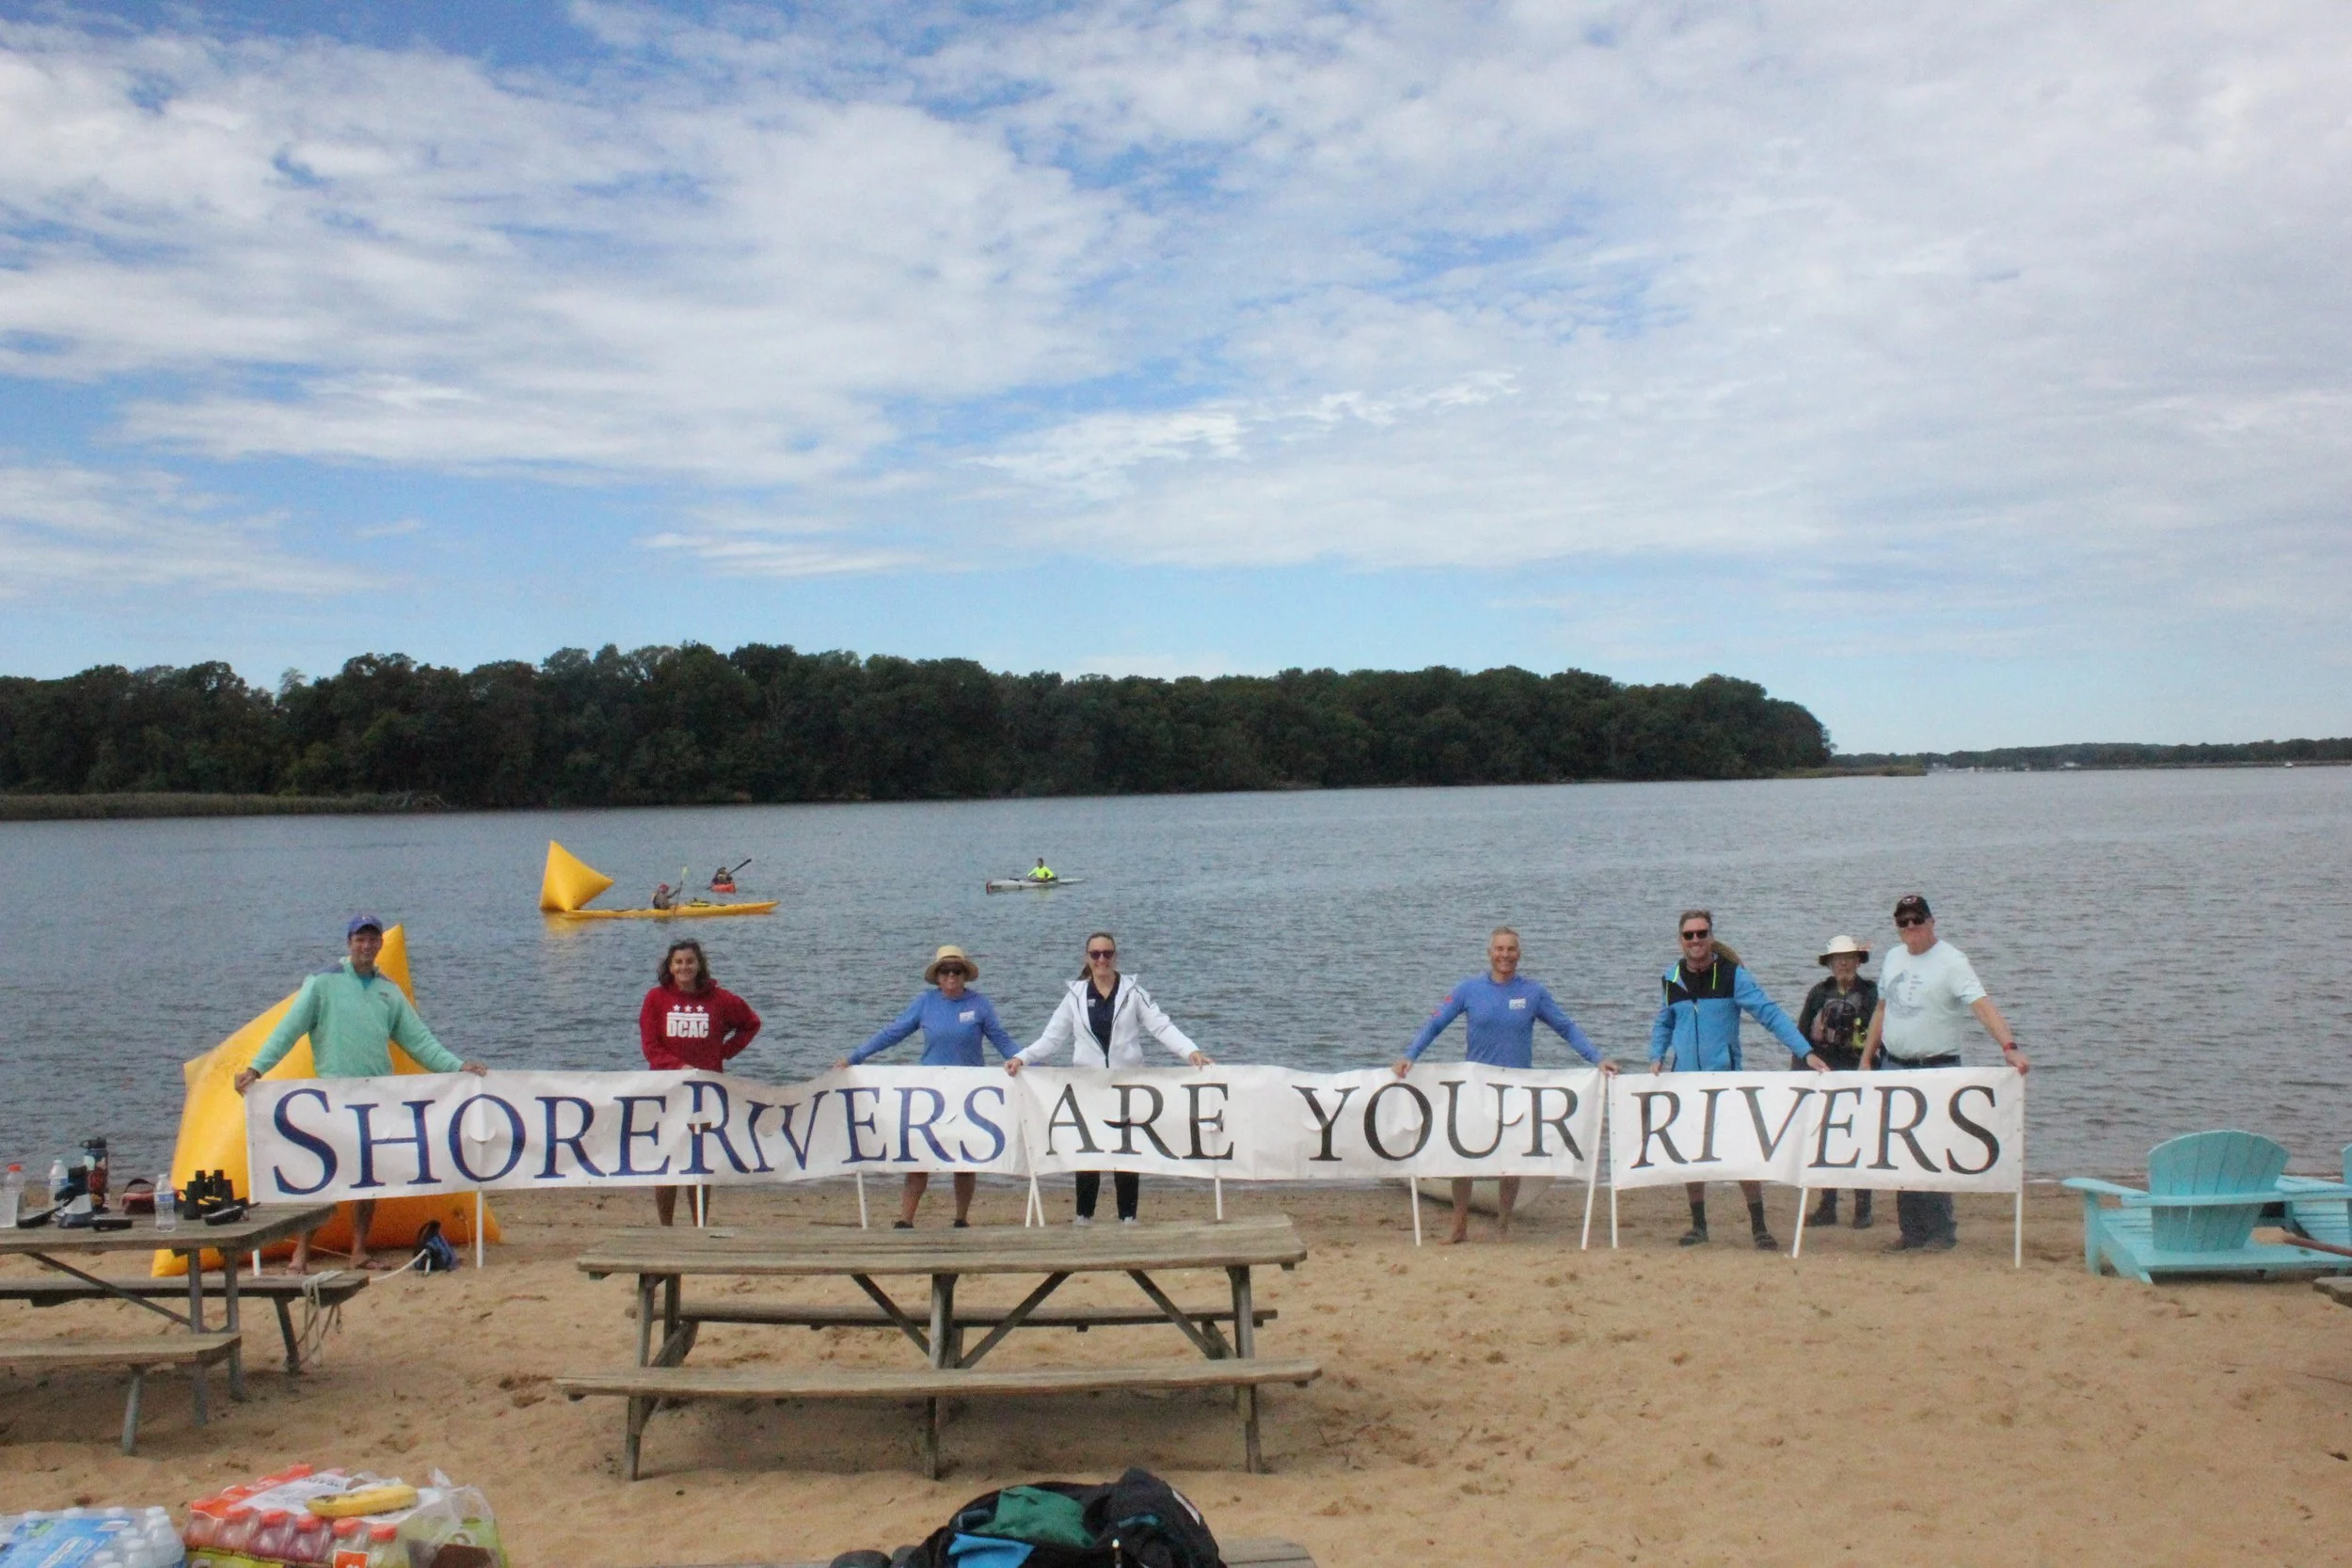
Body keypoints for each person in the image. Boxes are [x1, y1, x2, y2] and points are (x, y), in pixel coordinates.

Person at [233, 916, 487, 1272]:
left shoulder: (388, 991)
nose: (366, 946)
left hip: (377, 1098)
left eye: (372, 939)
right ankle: (300, 1255)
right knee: (321, 1182)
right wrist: (255, 1069)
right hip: (333, 1099)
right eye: (359, 939)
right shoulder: (322, 983)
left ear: (380, 944)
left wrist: (458, 1066)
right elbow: (287, 1030)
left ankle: (358, 1251)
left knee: (370, 1182)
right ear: (348, 942)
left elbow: (421, 1043)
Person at [1391, 927, 1618, 1243]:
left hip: (1517, 1089)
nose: (1505, 955)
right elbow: (1435, 1024)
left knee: (1511, 1160)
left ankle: (1503, 1225)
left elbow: (1565, 1027)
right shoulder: (1468, 990)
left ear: (1519, 954)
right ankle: (1459, 1227)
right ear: (1489, 953)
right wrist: (1409, 1055)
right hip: (1476, 1086)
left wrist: (1597, 1058)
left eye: (1511, 949)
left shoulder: (1532, 993)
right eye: (1499, 949)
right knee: (1463, 1158)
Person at [1647, 910, 1827, 1250]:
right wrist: (1656, 1055)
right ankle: (1698, 1225)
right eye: (1689, 935)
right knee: (1691, 1157)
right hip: (1685, 1081)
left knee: (1742, 1153)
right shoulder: (1672, 977)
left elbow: (1770, 1014)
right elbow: (1664, 1022)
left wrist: (1806, 1053)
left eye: (1702, 934)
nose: (1696, 940)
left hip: (1727, 1080)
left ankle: (1759, 1227)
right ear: (1680, 940)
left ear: (1711, 936)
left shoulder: (1732, 976)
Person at [1005, 931, 1212, 1224]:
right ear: (1086, 958)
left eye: (1107, 954)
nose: (1102, 959)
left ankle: (1128, 1216)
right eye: (1096, 954)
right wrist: (1022, 1058)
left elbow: (1161, 1027)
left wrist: (1191, 1052)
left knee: (1127, 1149)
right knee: (1087, 1149)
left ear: (1115, 957)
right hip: (1088, 1085)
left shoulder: (1132, 992)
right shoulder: (1074, 997)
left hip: (1127, 1084)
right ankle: (1083, 1215)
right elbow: (1052, 1038)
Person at [1864, 895, 2030, 1252]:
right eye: (1903, 922)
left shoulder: (1953, 962)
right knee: (1902, 1151)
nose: (1910, 928)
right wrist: (1867, 1058)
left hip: (1936, 1067)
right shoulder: (1893, 957)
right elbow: (1882, 1009)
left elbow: (1981, 1006)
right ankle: (1912, 1232)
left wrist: (2009, 1046)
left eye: (1916, 920)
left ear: (1931, 921)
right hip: (1894, 1065)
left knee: (1934, 1150)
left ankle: (1941, 1232)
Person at [836, 945, 1020, 1227]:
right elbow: (893, 1032)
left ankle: (961, 1218)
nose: (951, 976)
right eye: (945, 971)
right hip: (930, 1093)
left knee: (965, 1162)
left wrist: (1025, 1061)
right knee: (919, 1159)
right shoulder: (925, 1003)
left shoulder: (980, 1005)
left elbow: (1002, 1040)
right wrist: (855, 1057)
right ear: (937, 976)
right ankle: (905, 1220)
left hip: (967, 1093)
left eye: (956, 971)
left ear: (964, 975)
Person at [638, 938, 761, 1227]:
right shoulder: (656, 999)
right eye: (678, 962)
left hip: (706, 1094)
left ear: (699, 964)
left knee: (700, 1163)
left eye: (690, 961)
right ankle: (665, 1227)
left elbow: (751, 1023)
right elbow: (650, 1046)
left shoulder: (719, 999)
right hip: (667, 1091)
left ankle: (699, 1226)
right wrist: (680, 1066)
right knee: (667, 1162)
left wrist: (724, 1052)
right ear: (670, 967)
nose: (685, 967)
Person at [1797, 935, 1879, 1229]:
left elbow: (1884, 1031)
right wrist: (1799, 1076)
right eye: (1838, 958)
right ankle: (1827, 1206)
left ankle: (1863, 1208)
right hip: (1825, 1073)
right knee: (1825, 1139)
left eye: (1849, 957)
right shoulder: (1818, 993)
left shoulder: (1871, 993)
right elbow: (1802, 1035)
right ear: (1830, 963)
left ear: (1858, 960)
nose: (1843, 963)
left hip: (1862, 1073)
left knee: (1862, 1140)